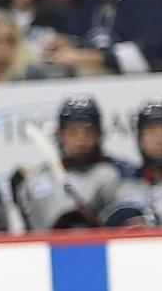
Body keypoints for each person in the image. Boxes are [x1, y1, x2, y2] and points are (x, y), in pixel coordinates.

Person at [11, 94, 133, 229]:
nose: (80, 140)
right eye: (73, 133)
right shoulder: (43, 176)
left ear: (98, 134)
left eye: (87, 132)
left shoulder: (117, 174)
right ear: (61, 135)